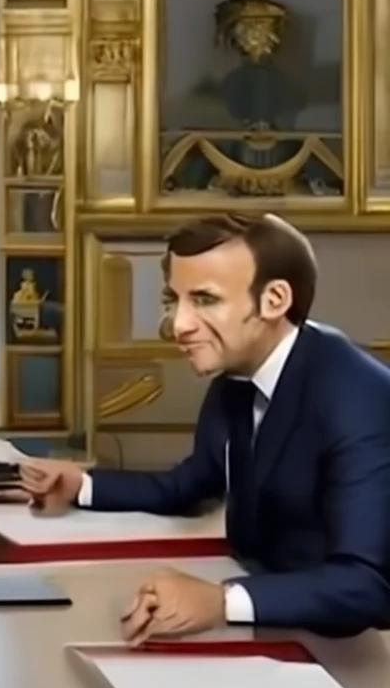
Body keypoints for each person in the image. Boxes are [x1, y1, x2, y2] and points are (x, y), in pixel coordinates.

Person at [20, 212, 390, 642]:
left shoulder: (358, 397)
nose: (178, 325)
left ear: (274, 300)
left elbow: (366, 585)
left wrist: (221, 601)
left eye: (205, 300)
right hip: (277, 626)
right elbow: (188, 484)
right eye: (172, 301)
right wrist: (81, 485)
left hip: (357, 655)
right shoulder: (235, 377)